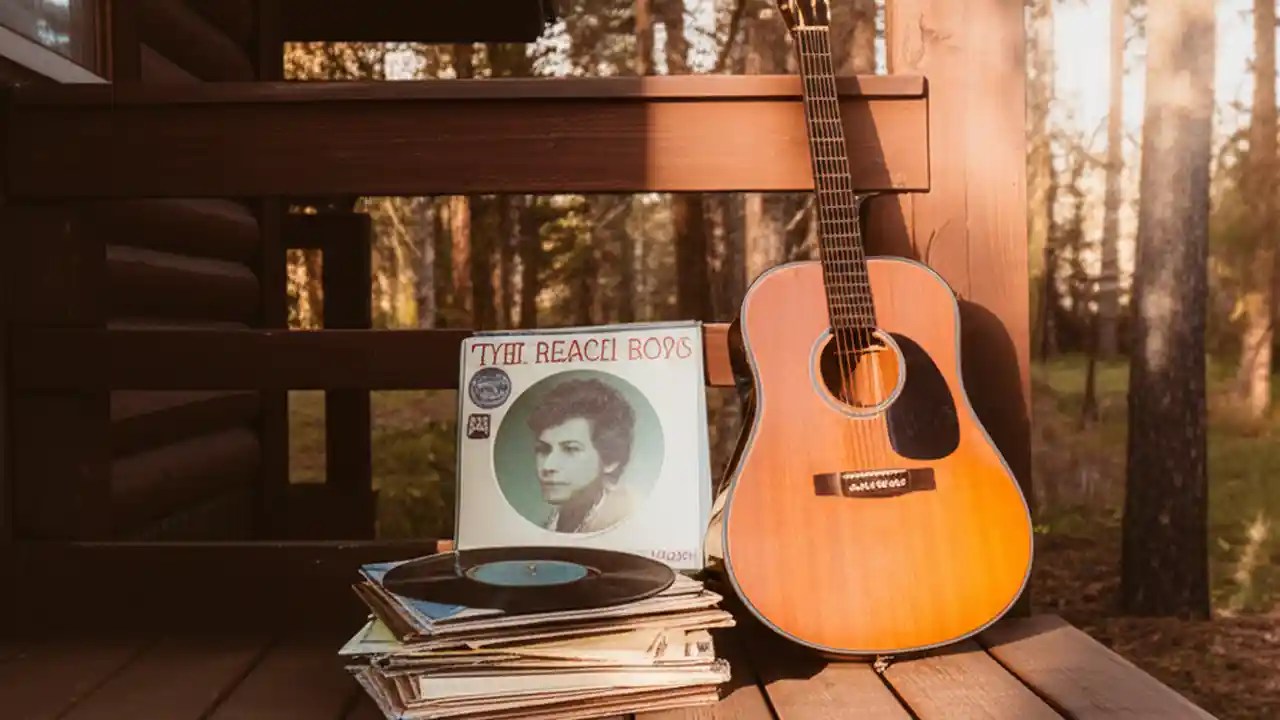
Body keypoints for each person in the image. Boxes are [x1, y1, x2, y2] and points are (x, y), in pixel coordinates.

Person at [526, 377, 637, 533]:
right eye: (543, 450)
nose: (548, 466)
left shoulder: (628, 520)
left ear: (610, 460)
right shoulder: (554, 524)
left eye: (570, 449)